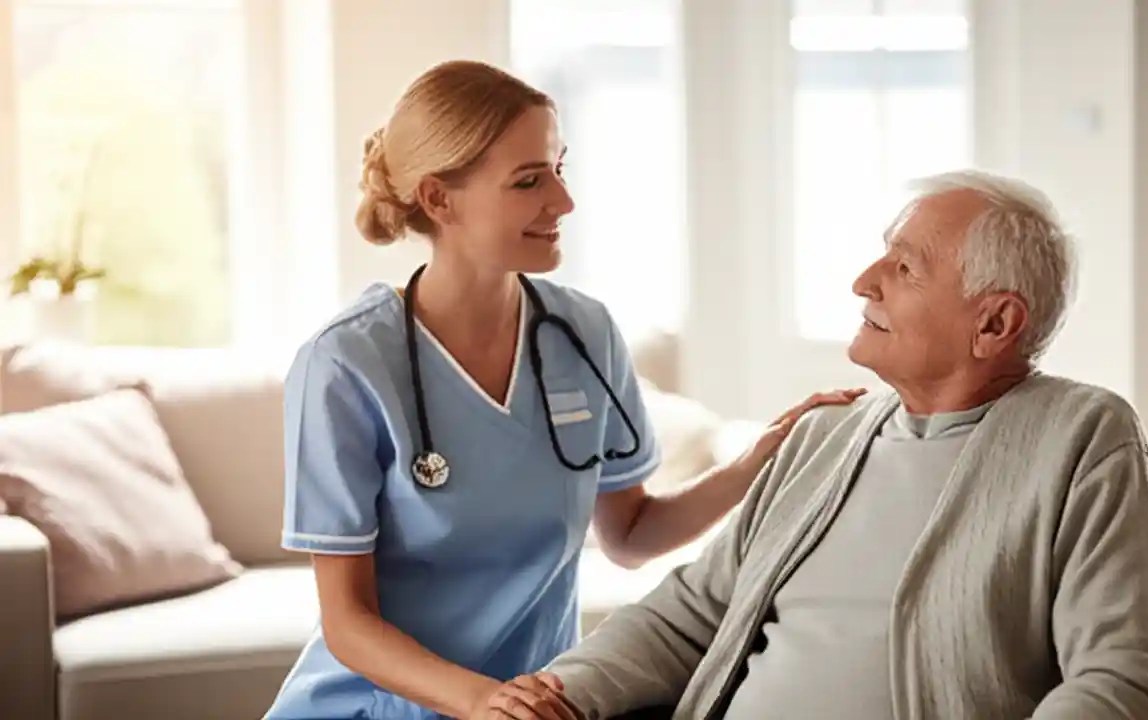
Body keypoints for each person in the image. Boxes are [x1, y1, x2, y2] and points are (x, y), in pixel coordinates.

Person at [264, 60, 861, 720]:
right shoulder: (346, 364)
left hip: (537, 706)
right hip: (380, 709)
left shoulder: (584, 332)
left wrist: (760, 461)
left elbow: (631, 535)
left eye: (558, 169)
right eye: (528, 181)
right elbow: (347, 623)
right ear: (438, 199)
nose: (563, 202)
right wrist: (483, 699)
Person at [544, 170, 1148, 720]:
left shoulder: (1081, 436)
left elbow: (1123, 684)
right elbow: (685, 615)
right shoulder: (825, 435)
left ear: (994, 323)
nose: (863, 282)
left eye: (904, 268)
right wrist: (556, 693)